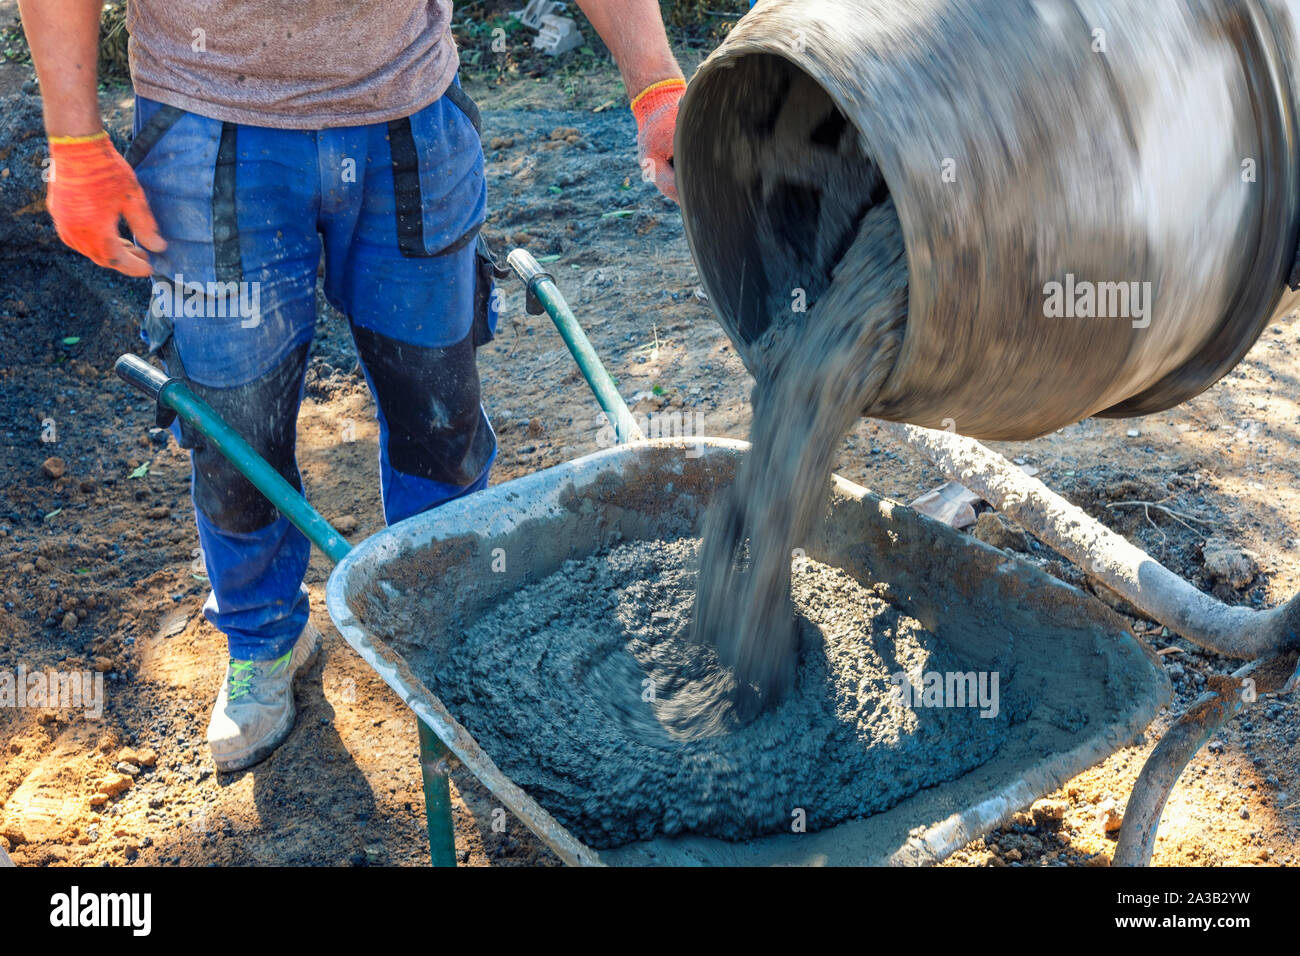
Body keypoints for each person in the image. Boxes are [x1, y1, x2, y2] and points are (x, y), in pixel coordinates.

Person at [19, 0, 686, 771]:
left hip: (409, 112)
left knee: (438, 412)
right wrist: (73, 138)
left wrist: (657, 86)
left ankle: (449, 628)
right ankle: (265, 640)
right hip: (210, 126)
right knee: (235, 429)